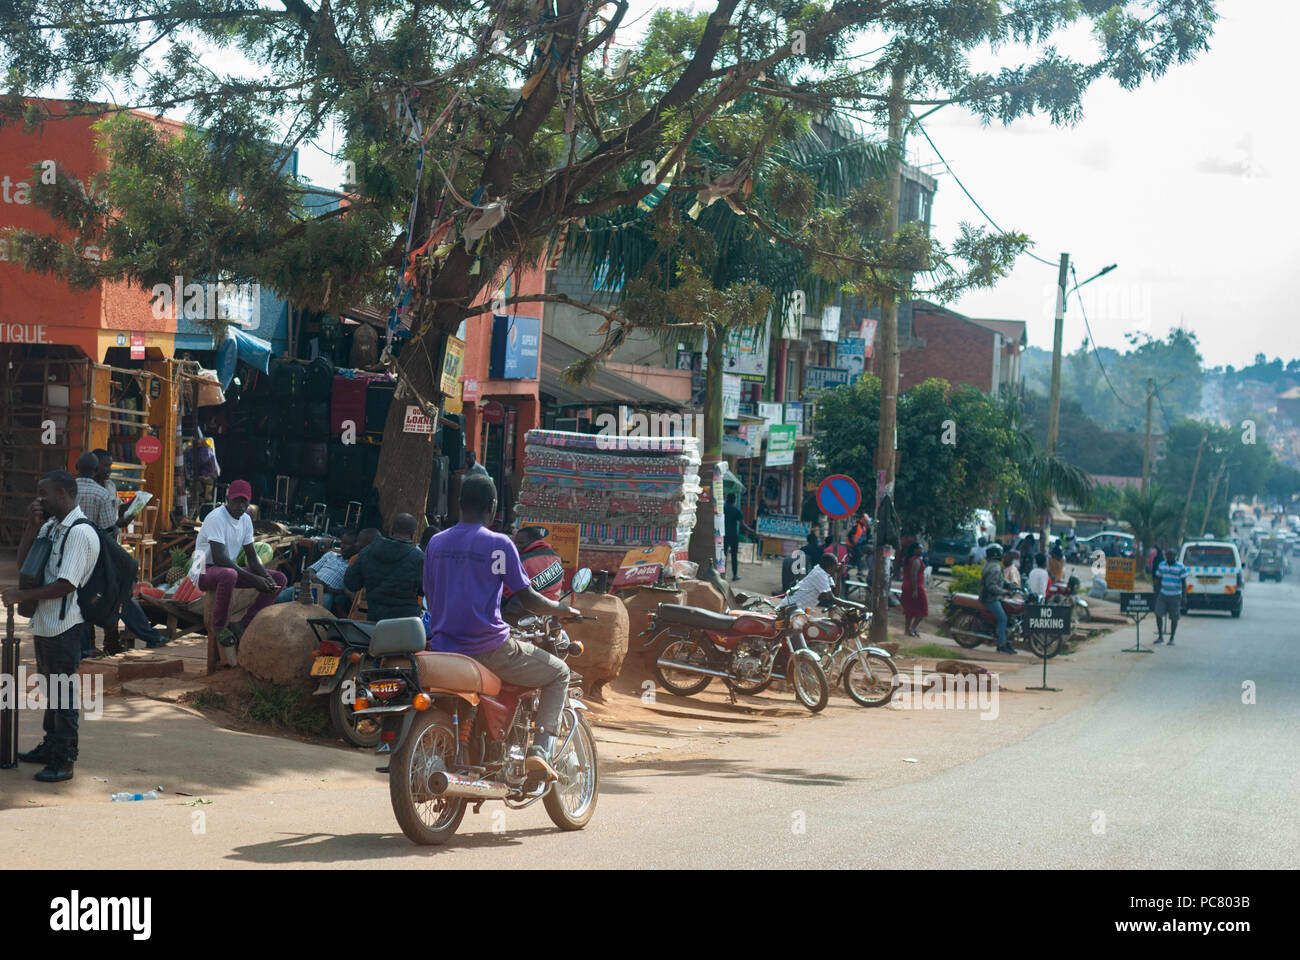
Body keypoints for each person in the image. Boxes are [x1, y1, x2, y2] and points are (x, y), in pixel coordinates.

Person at [424, 474, 582, 780]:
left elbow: (431, 595)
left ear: (459, 503)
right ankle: (540, 752)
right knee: (559, 673)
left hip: (442, 649)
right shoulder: (499, 544)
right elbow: (529, 600)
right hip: (490, 649)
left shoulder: (436, 543)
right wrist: (564, 609)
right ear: (493, 506)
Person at [1, 471, 101, 782]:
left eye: (43, 493)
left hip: (65, 625)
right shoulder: (51, 526)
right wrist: (31, 527)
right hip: (45, 623)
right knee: (50, 689)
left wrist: (21, 595)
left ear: (62, 494)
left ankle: (64, 760)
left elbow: (66, 584)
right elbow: (24, 563)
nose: (39, 499)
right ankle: (50, 746)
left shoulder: (80, 533)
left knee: (64, 694)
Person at [193, 480, 287, 648]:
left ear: (249, 502)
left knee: (279, 579)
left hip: (225, 569)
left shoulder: (246, 520)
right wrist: (253, 579)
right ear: (228, 498)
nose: (240, 506)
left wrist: (264, 576)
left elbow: (252, 556)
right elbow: (220, 557)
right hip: (202, 569)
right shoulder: (216, 518)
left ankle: (244, 624)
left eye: (244, 501)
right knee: (229, 574)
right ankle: (219, 627)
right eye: (236, 500)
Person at [344, 513, 424, 622]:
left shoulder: (369, 550)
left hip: (374, 621)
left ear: (391, 530)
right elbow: (424, 590)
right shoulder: (419, 558)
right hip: (407, 624)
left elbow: (351, 582)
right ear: (413, 534)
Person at [507, 525, 566, 600]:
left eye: (521, 543)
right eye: (515, 543)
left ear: (534, 542)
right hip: (553, 606)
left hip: (525, 609)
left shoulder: (521, 561)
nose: (516, 546)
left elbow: (507, 592)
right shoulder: (556, 556)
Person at [979, 543, 1016, 655]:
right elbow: (991, 586)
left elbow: (1000, 580)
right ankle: (1001, 645)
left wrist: (1009, 585)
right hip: (990, 598)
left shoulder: (992, 565)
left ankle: (1005, 640)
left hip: (993, 596)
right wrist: (1005, 592)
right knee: (1003, 619)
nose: (1002, 555)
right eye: (1001, 552)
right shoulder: (994, 567)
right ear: (996, 554)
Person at [1153, 546, 1188, 646]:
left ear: (1175, 556)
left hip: (1175, 595)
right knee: (1158, 614)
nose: (1169, 557)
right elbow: (1158, 580)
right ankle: (1160, 636)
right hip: (1163, 594)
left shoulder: (1180, 567)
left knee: (1174, 617)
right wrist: (1156, 593)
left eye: (1171, 555)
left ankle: (1172, 638)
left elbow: (1184, 583)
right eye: (1168, 555)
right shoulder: (1161, 565)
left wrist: (1184, 596)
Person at [723, 493, 756, 581]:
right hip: (733, 535)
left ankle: (723, 574)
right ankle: (734, 575)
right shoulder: (737, 511)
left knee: (724, 555)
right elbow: (742, 525)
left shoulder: (723, 509)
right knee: (734, 556)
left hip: (724, 535)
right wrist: (751, 531)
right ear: (734, 500)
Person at [900, 541, 929, 637]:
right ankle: (912, 628)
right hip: (915, 587)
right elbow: (913, 575)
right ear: (915, 550)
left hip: (907, 585)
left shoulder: (908, 559)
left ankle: (907, 629)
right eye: (920, 548)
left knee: (910, 609)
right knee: (923, 610)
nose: (922, 550)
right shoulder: (916, 561)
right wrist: (915, 590)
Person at [847, 510, 871, 577]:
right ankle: (860, 571)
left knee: (857, 558)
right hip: (854, 546)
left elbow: (865, 537)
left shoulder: (863, 527)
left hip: (859, 545)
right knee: (859, 556)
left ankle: (858, 569)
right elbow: (850, 535)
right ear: (861, 519)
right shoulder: (856, 526)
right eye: (865, 520)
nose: (866, 521)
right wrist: (852, 544)